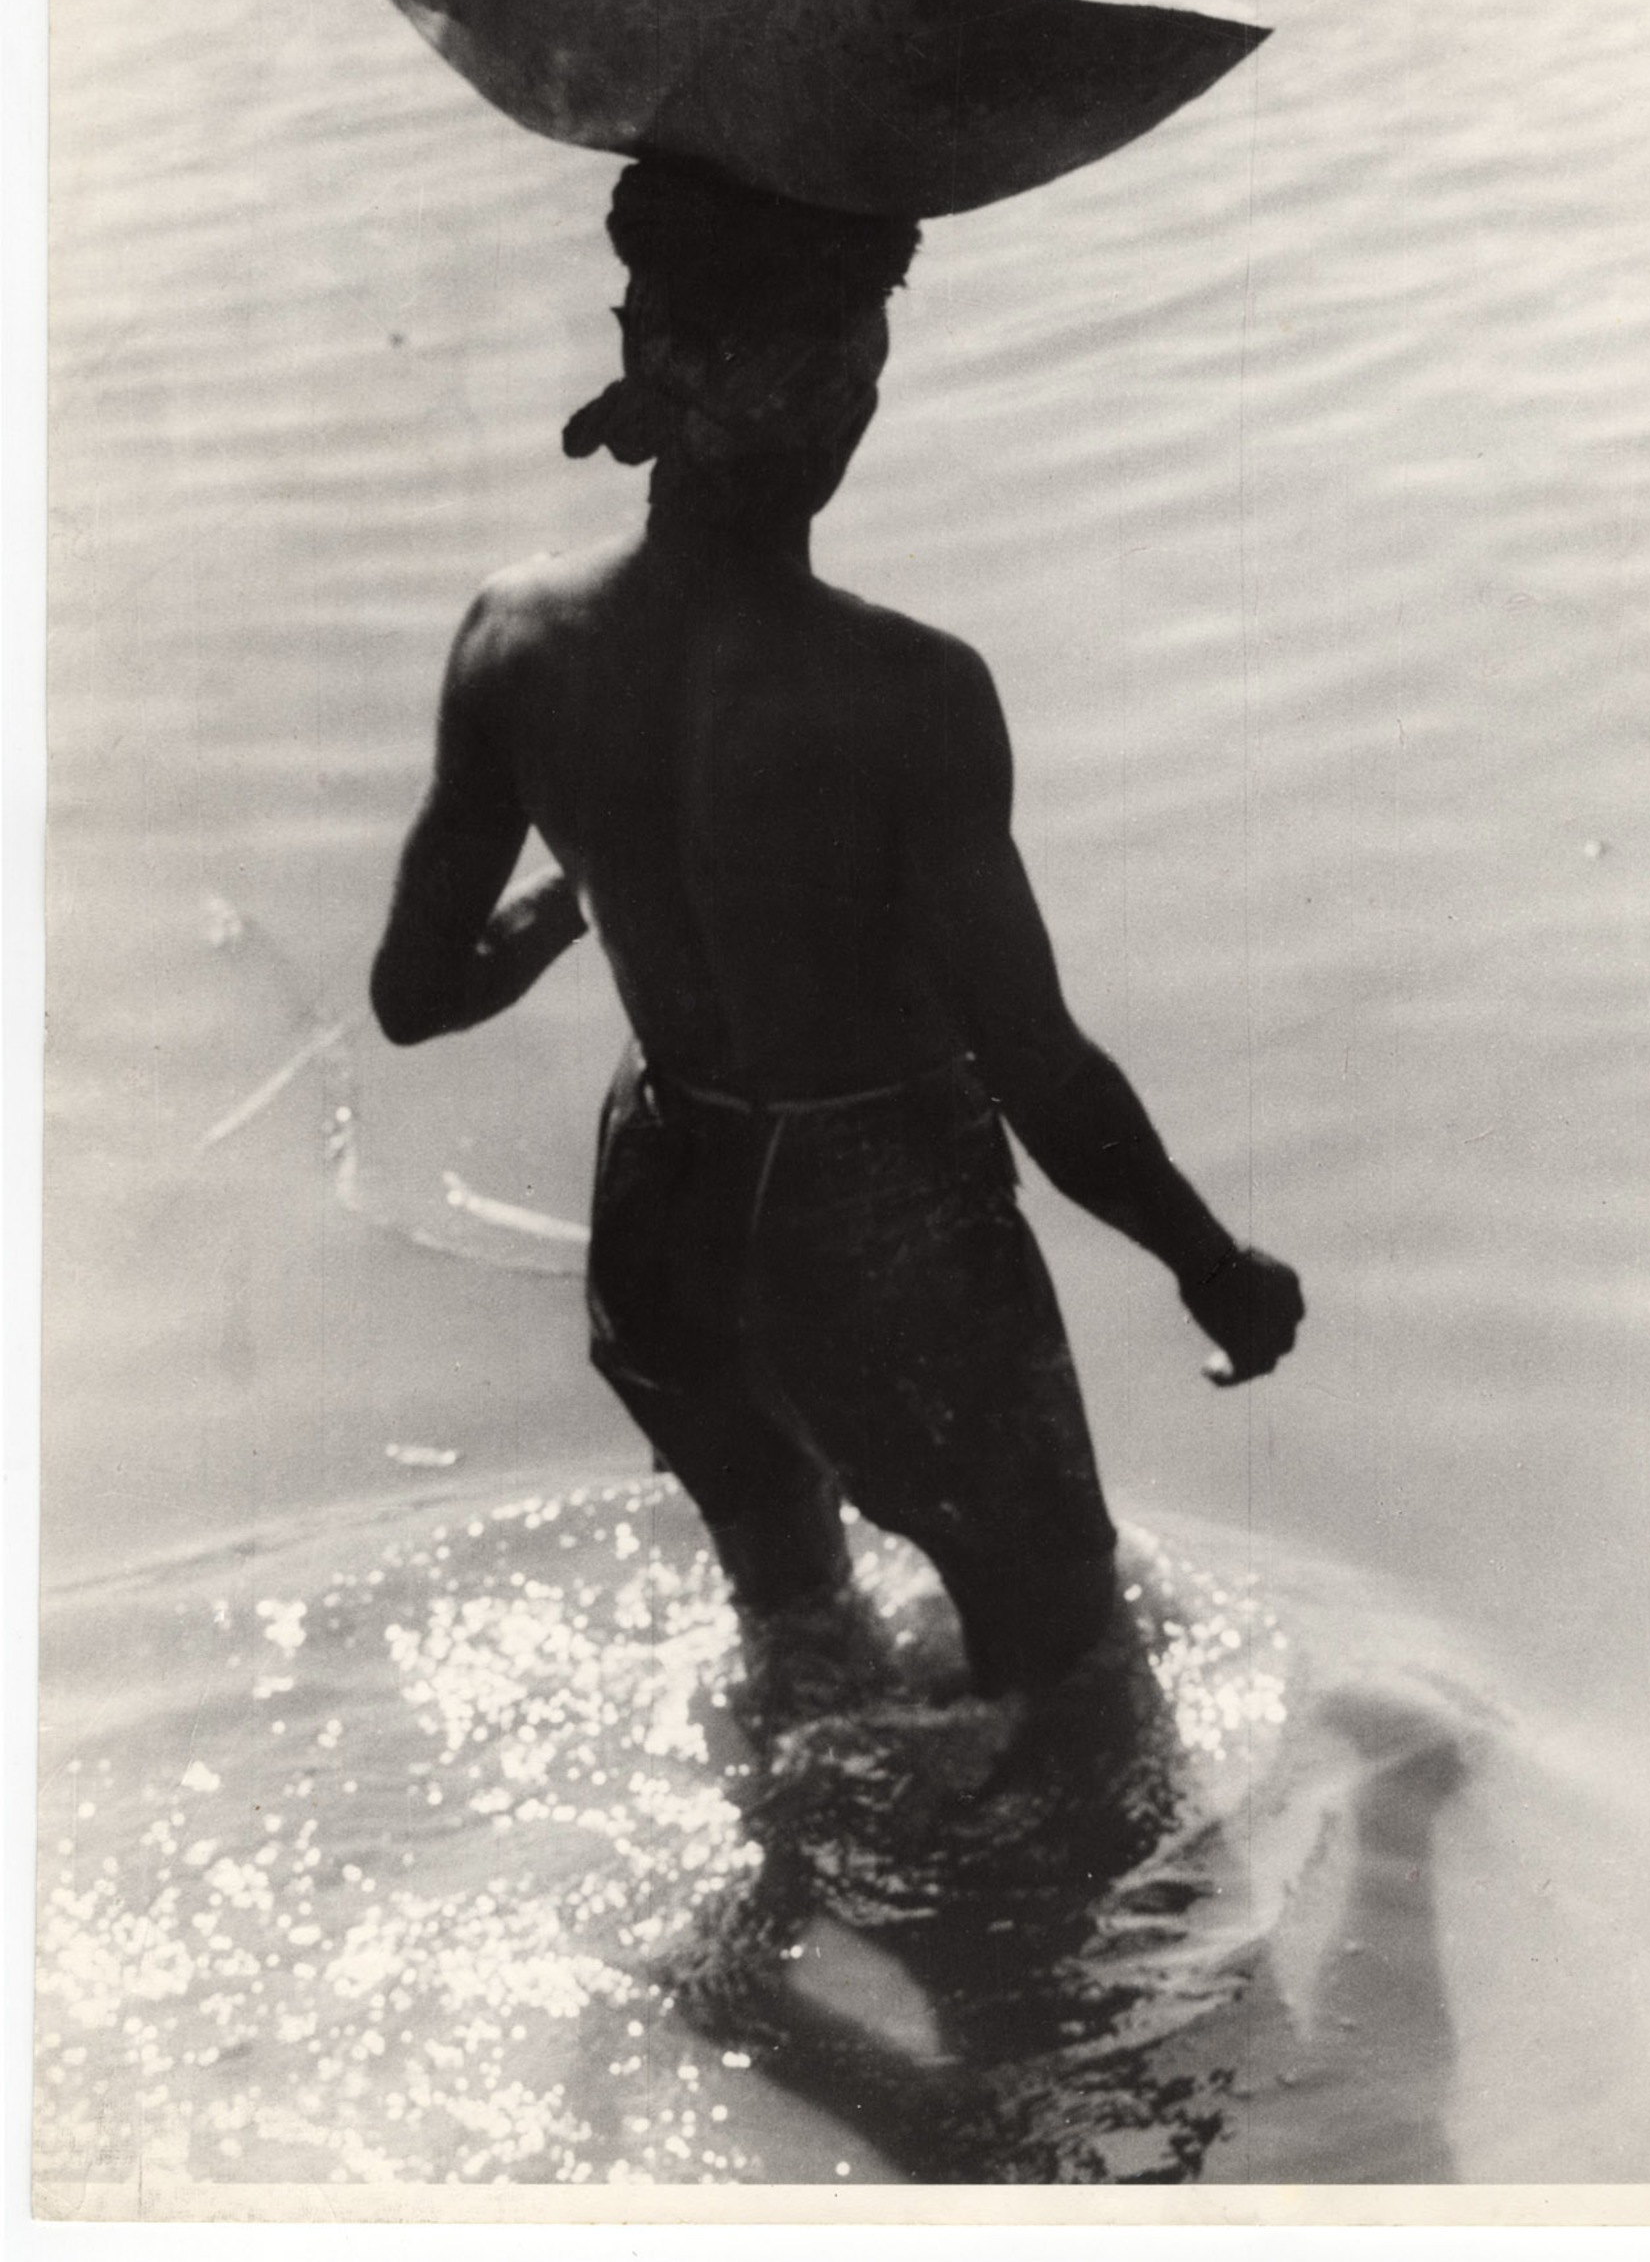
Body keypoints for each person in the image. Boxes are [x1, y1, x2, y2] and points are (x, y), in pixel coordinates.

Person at [370, 157, 1304, 1712]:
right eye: (857, 358)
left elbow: (416, 996)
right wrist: (1211, 1264)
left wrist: (593, 883)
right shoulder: (906, 689)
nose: (868, 395)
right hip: (880, 1228)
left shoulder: (510, 635)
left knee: (793, 1624)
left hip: (662, 1207)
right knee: (1066, 1657)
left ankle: (777, 1895)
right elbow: (1040, 1071)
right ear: (819, 397)